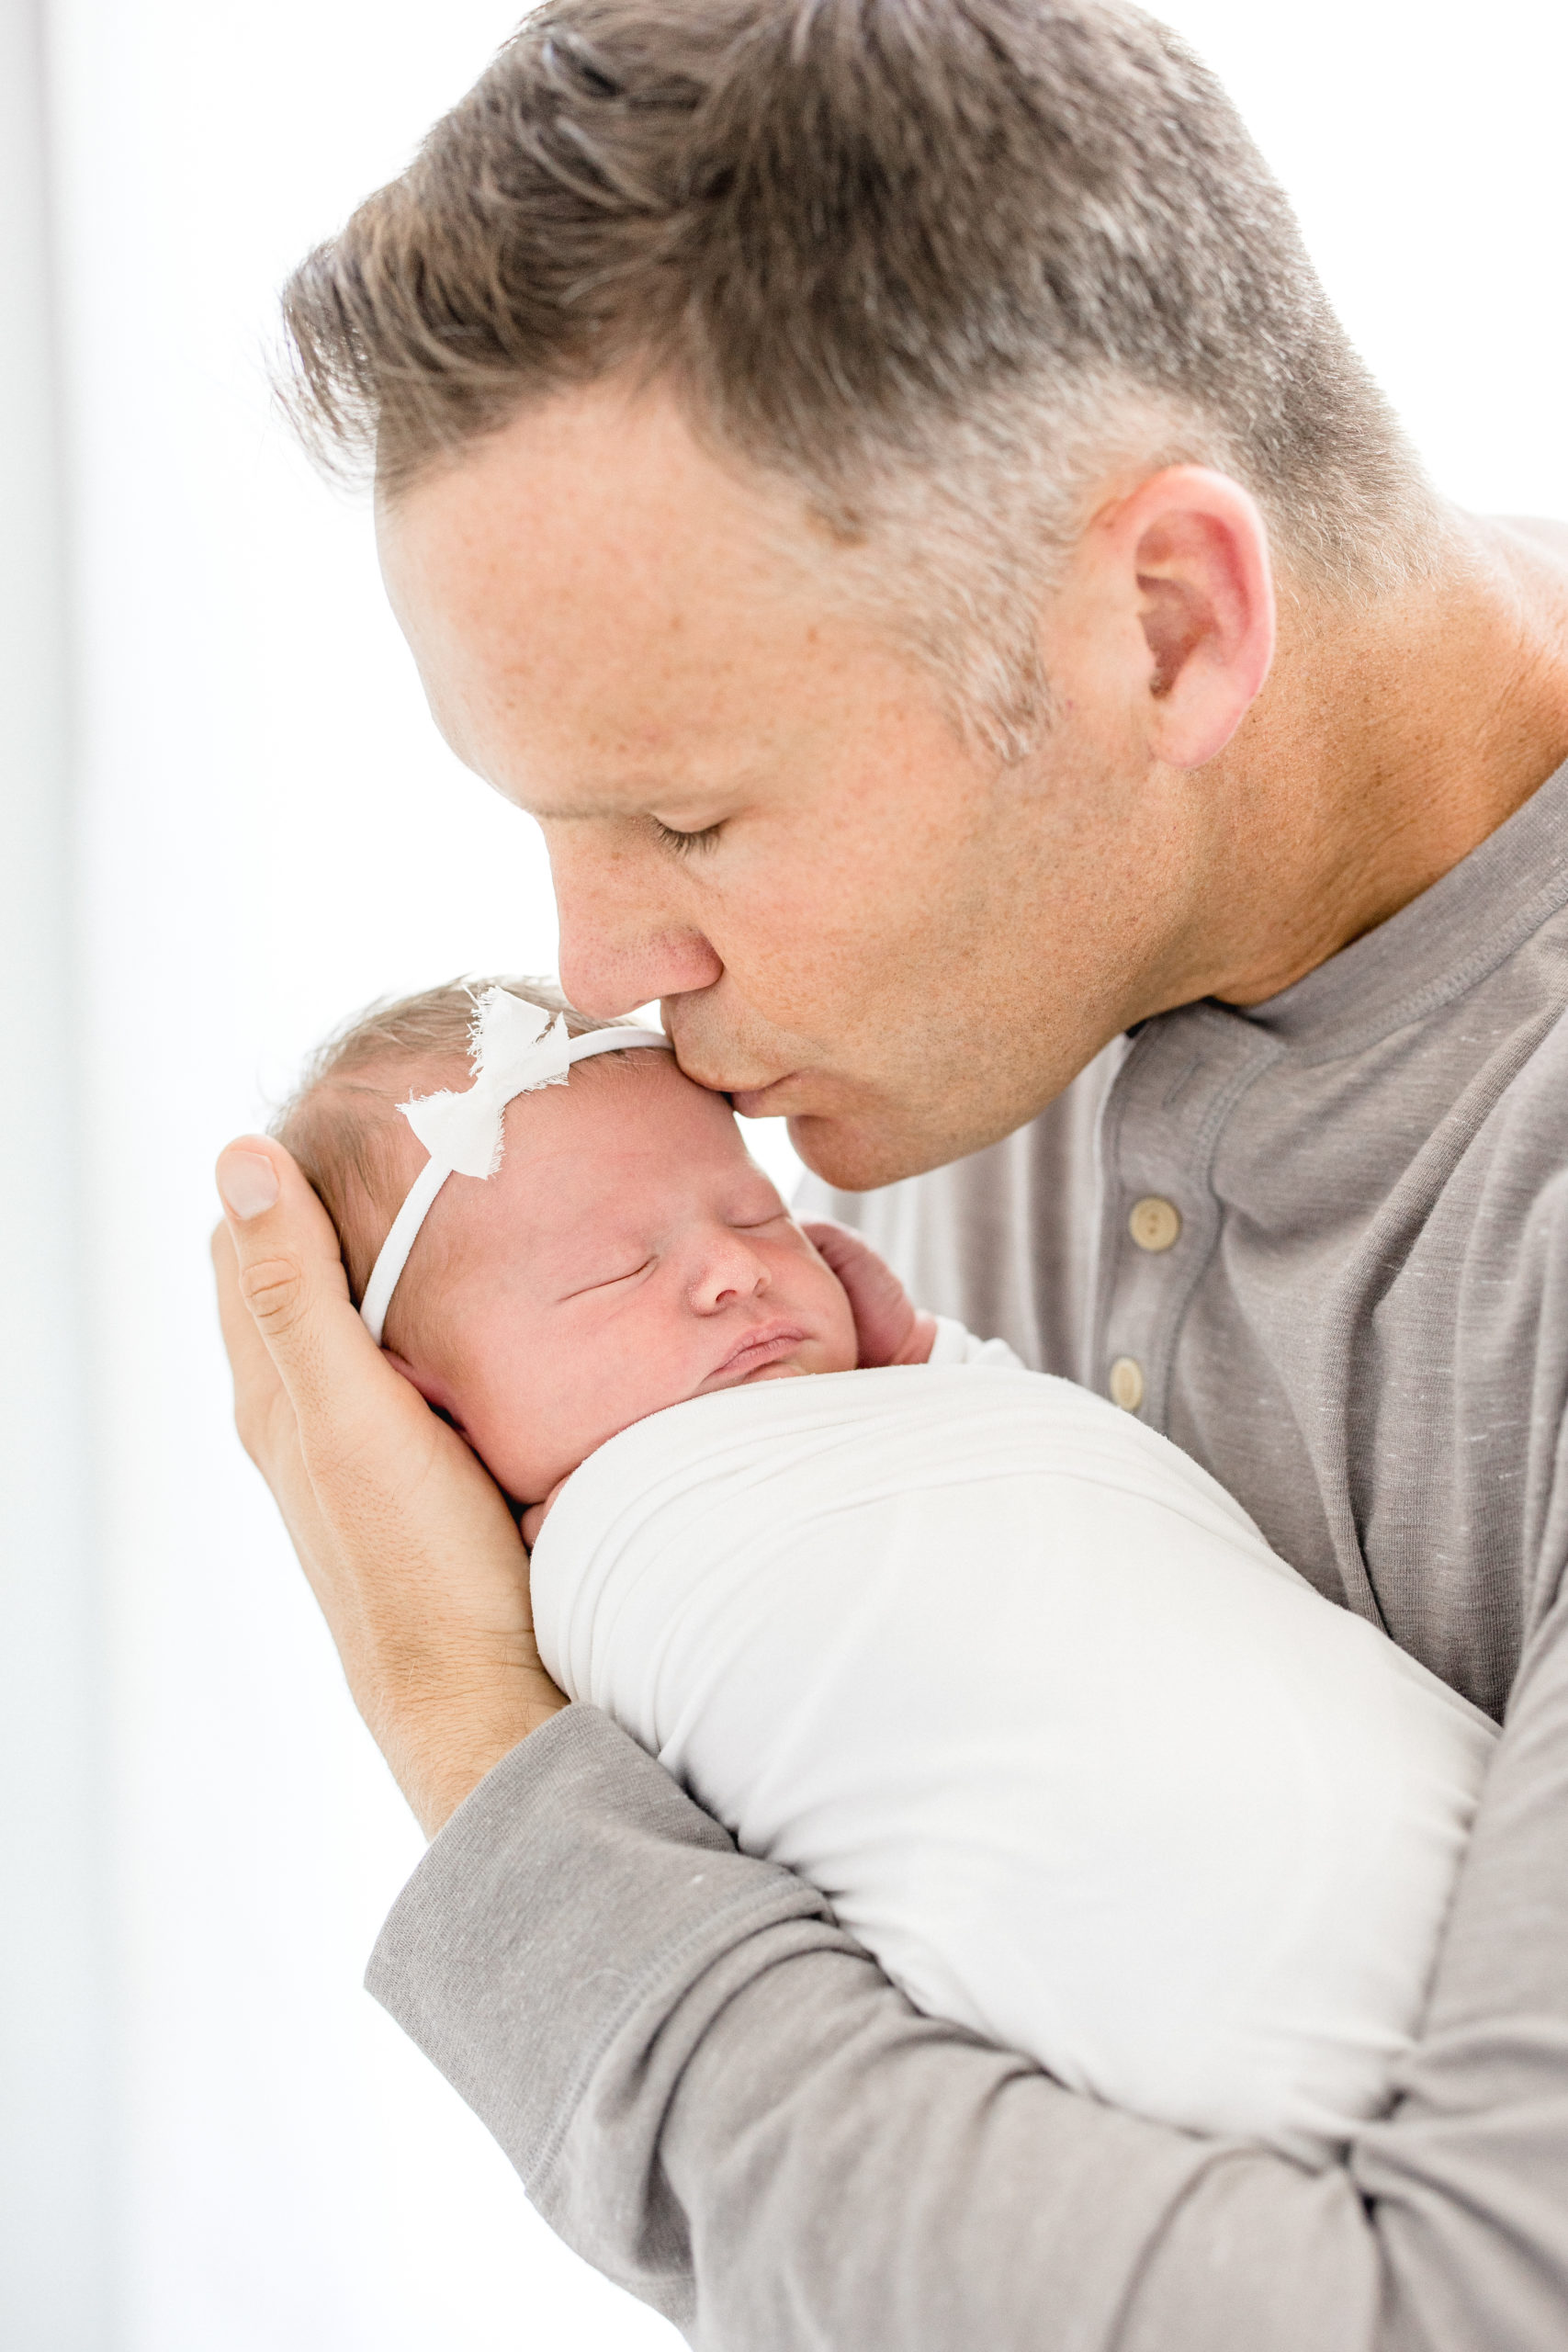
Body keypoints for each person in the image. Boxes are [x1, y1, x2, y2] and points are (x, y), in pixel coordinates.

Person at [211, 0, 1568, 2342]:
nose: (602, 983)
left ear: (1164, 626)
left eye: (687, 815)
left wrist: (472, 1734)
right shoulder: (978, 993)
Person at [272, 971, 1493, 2167]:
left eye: (754, 1212)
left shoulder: (896, 1377)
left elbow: (1076, 1551)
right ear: (429, 1413)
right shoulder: (610, 1568)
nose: (734, 1268)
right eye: (615, 1271)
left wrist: (923, 1361)